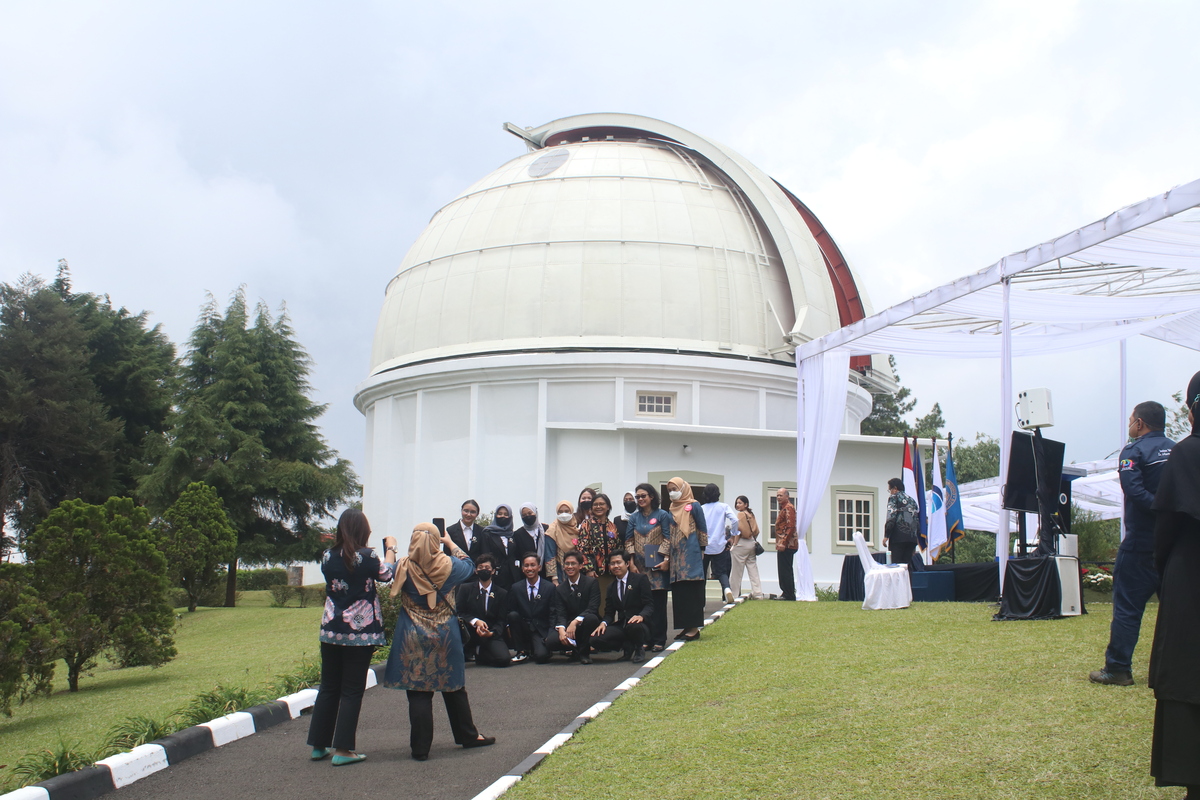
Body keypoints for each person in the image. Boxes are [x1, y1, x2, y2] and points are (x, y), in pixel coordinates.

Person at [382, 523, 494, 762]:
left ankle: (420, 748)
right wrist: (450, 542)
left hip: (412, 638)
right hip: (445, 637)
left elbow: (386, 570)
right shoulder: (450, 565)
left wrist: (390, 548)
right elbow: (470, 564)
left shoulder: (404, 565)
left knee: (418, 692)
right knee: (453, 687)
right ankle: (467, 735)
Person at [1091, 400, 1175, 686]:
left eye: (1130, 421)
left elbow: (1134, 490)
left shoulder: (1133, 451)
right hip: (1175, 545)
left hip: (1141, 544)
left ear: (1140, 423)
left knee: (1127, 609)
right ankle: (1180, 671)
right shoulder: (1179, 450)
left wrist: (1160, 510)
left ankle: (1118, 669)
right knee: (1179, 610)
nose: (1129, 425)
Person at [307, 509, 396, 766]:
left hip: (331, 628)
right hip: (360, 632)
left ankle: (319, 745)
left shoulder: (327, 555)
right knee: (351, 690)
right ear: (362, 530)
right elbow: (386, 575)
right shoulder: (367, 556)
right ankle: (343, 750)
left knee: (328, 687)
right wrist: (391, 549)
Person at [1148, 373, 1200, 794]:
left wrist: (1162, 572)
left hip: (1191, 575)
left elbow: (1165, 527)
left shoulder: (1186, 454)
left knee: (1189, 673)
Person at [625, 483, 673, 651]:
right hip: (638, 568)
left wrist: (666, 559)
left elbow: (668, 538)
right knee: (642, 605)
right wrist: (631, 563)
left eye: (643, 496)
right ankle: (646, 638)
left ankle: (659, 639)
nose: (640, 499)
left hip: (657, 566)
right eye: (638, 497)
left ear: (652, 496)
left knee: (658, 605)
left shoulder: (662, 515)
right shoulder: (634, 517)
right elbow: (628, 541)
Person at [661, 477, 708, 641]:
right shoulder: (671, 509)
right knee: (680, 593)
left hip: (691, 556)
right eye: (669, 490)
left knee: (692, 591)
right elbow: (669, 533)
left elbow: (702, 528)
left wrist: (702, 549)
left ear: (683, 489)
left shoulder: (694, 506)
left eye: (675, 489)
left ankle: (694, 629)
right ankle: (686, 626)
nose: (672, 493)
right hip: (676, 559)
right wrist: (667, 556)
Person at [593, 551, 653, 663]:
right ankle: (627, 645)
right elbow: (609, 612)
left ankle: (639, 648)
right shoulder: (611, 587)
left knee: (634, 625)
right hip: (622, 624)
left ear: (627, 563)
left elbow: (649, 604)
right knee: (595, 638)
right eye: (612, 563)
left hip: (639, 625)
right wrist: (603, 623)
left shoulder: (640, 579)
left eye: (618, 562)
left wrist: (641, 616)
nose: (616, 566)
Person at [454, 553, 510, 668]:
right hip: (470, 632)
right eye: (480, 567)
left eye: (487, 568)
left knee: (504, 659)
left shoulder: (502, 593)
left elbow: (501, 620)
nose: (484, 570)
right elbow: (459, 612)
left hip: (490, 632)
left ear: (493, 571)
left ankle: (481, 653)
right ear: (476, 570)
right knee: (456, 660)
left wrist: (491, 633)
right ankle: (471, 649)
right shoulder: (465, 589)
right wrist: (475, 621)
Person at [549, 550, 601, 664]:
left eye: (573, 563)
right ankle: (574, 651)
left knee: (592, 618)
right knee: (551, 641)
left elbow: (593, 607)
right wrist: (561, 629)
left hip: (586, 622)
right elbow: (560, 612)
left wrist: (575, 622)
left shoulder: (591, 583)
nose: (570, 567)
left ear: (581, 566)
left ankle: (584, 653)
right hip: (569, 626)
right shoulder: (560, 589)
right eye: (567, 564)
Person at [506, 553, 556, 664]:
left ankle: (537, 649)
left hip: (540, 629)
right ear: (522, 568)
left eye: (533, 565)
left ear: (539, 567)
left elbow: (553, 613)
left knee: (541, 657)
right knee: (513, 615)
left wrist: (550, 634)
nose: (529, 569)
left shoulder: (549, 587)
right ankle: (521, 651)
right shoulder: (516, 588)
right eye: (526, 565)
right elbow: (511, 610)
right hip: (523, 628)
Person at [576, 492, 620, 613]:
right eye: (595, 504)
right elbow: (582, 548)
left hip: (611, 572)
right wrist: (589, 569)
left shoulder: (612, 526)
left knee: (610, 605)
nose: (598, 507)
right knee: (597, 605)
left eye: (602, 504)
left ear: (608, 507)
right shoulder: (587, 524)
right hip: (594, 573)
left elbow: (618, 547)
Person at [701, 483, 738, 603]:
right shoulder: (723, 506)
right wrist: (733, 535)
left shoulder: (702, 508)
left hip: (704, 546)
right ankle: (726, 589)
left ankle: (701, 602)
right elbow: (735, 520)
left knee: (702, 574)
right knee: (722, 572)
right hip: (720, 544)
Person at [729, 495, 765, 600]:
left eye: (740, 503)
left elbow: (738, 531)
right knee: (753, 569)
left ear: (746, 504)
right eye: (737, 503)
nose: (738, 505)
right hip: (752, 543)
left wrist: (734, 544)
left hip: (742, 543)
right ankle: (758, 593)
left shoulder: (740, 514)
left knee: (736, 571)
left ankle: (734, 594)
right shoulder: (751, 514)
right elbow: (757, 530)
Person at [511, 503, 557, 582]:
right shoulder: (517, 534)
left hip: (546, 575)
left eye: (530, 513)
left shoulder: (546, 529)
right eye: (524, 515)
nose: (528, 516)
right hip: (527, 576)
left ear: (535, 512)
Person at [883, 478, 920, 571]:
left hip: (898, 537)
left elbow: (891, 517)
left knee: (896, 566)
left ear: (895, 488)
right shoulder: (912, 500)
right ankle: (908, 581)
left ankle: (898, 581)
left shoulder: (894, 498)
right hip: (911, 538)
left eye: (890, 490)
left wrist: (886, 535)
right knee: (907, 566)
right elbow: (916, 520)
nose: (890, 492)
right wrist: (916, 538)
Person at [482, 504, 519, 588]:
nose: (503, 516)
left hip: (513, 577)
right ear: (496, 516)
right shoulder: (487, 534)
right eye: (500, 514)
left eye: (506, 514)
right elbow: (486, 555)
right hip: (495, 577)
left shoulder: (513, 535)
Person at [544, 500, 579, 584]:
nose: (564, 514)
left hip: (577, 573)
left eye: (567, 511)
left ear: (572, 512)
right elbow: (550, 556)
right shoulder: (552, 530)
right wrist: (554, 579)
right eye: (560, 512)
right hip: (560, 575)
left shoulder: (576, 529)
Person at [774, 488, 798, 601]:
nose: (778, 497)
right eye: (777, 495)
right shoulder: (783, 508)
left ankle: (788, 594)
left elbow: (790, 526)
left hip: (788, 544)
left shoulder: (789, 508)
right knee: (783, 569)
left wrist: (784, 542)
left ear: (787, 496)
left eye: (781, 495)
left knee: (785, 569)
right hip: (783, 543)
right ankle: (786, 592)